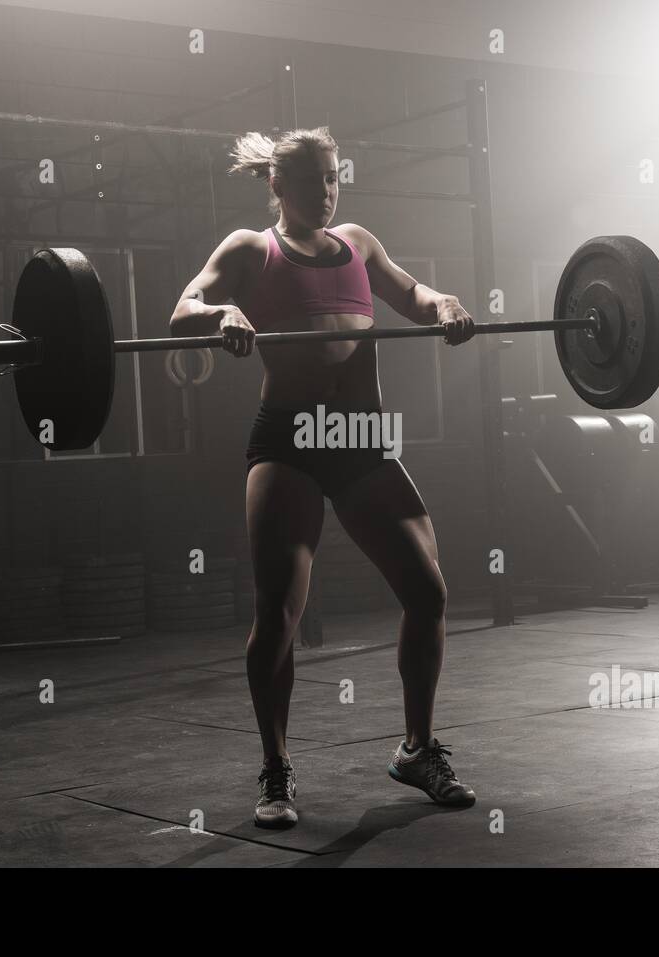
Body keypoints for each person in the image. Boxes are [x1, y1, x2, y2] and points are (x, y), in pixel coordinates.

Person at [170, 127, 478, 828]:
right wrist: (222, 312)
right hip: (290, 443)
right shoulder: (252, 248)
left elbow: (414, 292)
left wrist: (444, 306)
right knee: (278, 614)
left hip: (360, 439)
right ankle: (276, 770)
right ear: (277, 185)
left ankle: (417, 749)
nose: (326, 191)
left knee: (428, 591)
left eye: (333, 178)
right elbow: (183, 306)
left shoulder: (359, 244)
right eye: (311, 181)